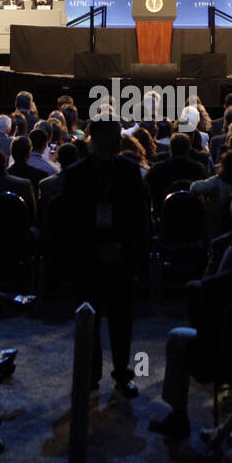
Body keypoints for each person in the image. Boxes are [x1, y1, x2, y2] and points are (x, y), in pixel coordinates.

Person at [60, 118, 150, 399]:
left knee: (122, 319)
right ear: (97, 138)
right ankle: (91, 373)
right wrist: (97, 246)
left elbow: (138, 215)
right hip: (89, 254)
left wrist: (123, 247)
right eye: (112, 135)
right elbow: (72, 220)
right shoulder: (75, 173)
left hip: (120, 252)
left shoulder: (129, 169)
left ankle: (123, 374)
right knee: (90, 318)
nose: (116, 140)